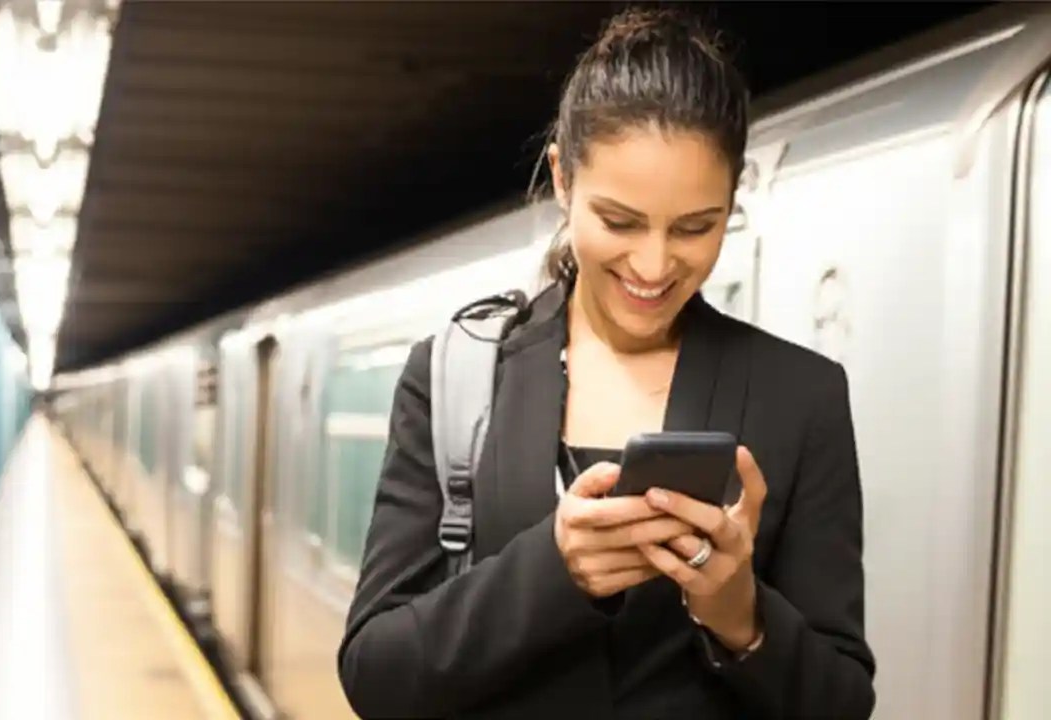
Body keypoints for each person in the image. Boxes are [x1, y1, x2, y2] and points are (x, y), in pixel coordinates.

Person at [337, 7, 876, 719]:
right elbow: (375, 673)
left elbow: (841, 703)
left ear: (732, 196)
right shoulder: (458, 378)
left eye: (696, 227)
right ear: (563, 178)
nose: (653, 266)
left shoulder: (801, 397)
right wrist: (556, 573)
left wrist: (739, 614)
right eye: (619, 222)